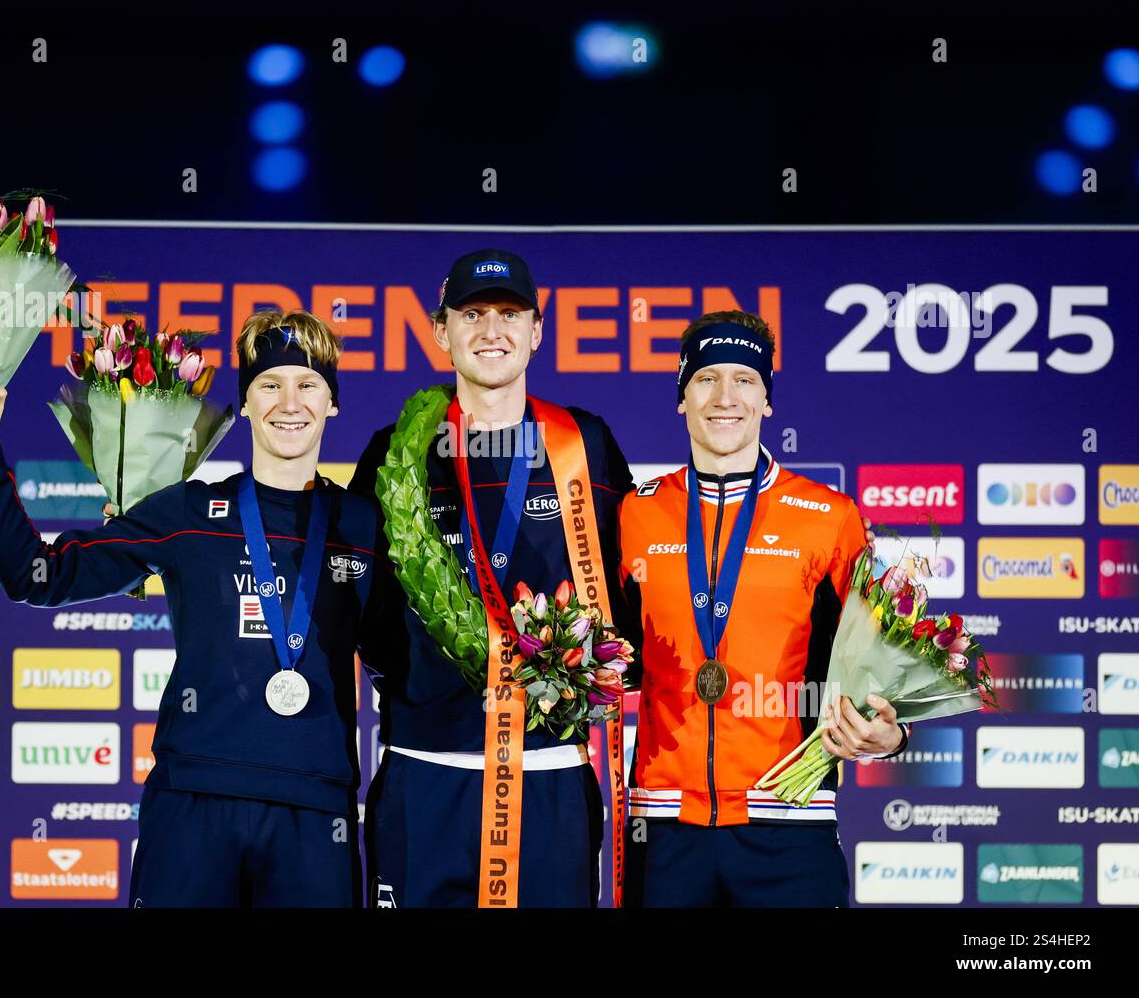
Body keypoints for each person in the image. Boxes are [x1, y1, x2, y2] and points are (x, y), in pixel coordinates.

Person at [0, 309, 393, 907]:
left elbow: (406, 664)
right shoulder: (187, 513)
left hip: (314, 813)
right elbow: (40, 576)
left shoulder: (364, 526)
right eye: (270, 384)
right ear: (246, 404)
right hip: (192, 804)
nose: (291, 401)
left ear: (332, 402)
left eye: (309, 384)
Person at [349, 247, 634, 908]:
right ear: (440, 331)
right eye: (471, 314)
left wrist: (585, 674)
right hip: (426, 767)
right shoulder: (397, 450)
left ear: (538, 331)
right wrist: (420, 683)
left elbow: (630, 592)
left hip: (550, 771)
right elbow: (359, 604)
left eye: (510, 314)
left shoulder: (584, 444)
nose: (490, 330)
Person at [618, 309, 911, 908]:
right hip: (664, 825)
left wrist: (892, 735)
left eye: (745, 380)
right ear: (681, 396)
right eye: (706, 378)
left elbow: (876, 668)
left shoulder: (829, 518)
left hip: (790, 822)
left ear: (768, 401)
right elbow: (612, 655)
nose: (725, 397)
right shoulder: (633, 515)